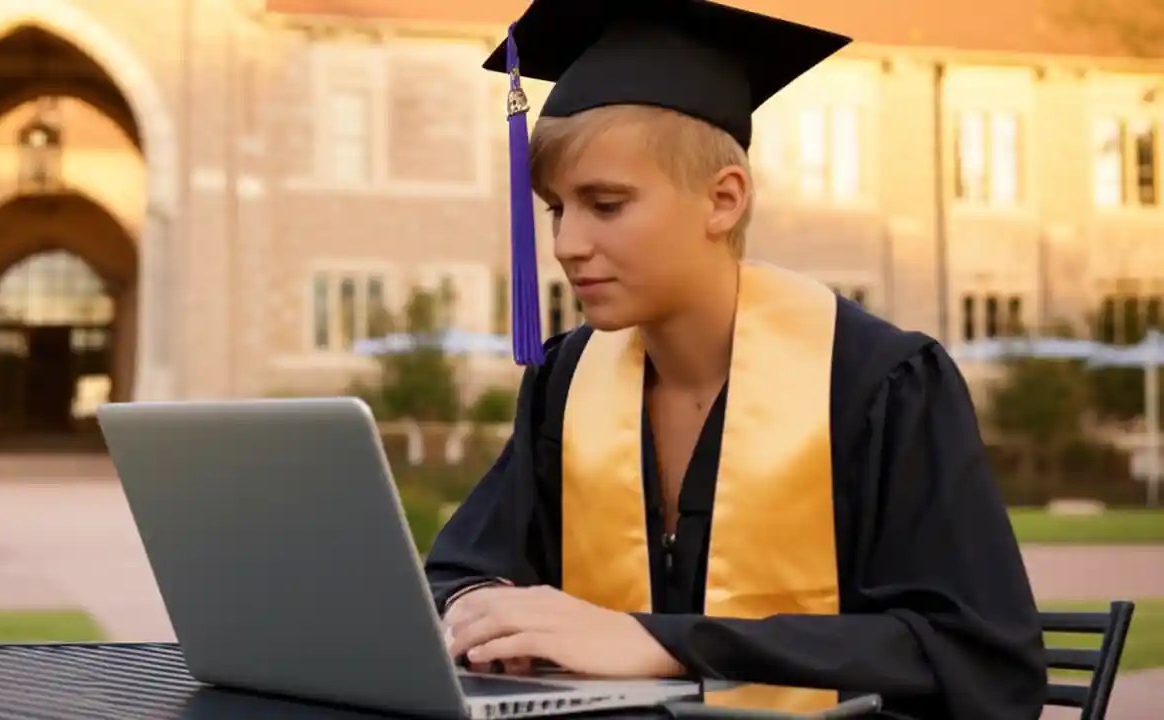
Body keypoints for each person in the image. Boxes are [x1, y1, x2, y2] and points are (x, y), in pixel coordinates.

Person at [424, 1, 1047, 718]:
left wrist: (669, 644)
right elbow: (463, 568)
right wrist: (485, 606)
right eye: (557, 209)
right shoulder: (567, 381)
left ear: (723, 201)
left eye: (606, 204)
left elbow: (972, 654)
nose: (566, 244)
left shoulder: (880, 383)